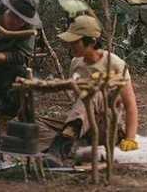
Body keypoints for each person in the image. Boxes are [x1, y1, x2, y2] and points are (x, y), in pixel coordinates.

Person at [45, 15, 139, 164]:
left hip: (106, 127)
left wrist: (130, 138)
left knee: (93, 92)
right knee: (35, 123)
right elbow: (77, 99)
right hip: (83, 124)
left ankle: (60, 148)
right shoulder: (76, 63)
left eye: (75, 42)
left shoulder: (115, 64)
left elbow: (130, 105)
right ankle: (72, 141)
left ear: (92, 42)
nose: (71, 46)